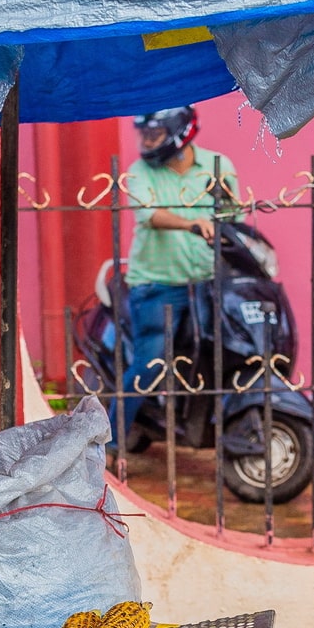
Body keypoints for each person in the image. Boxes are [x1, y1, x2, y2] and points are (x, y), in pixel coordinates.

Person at [113, 104, 239, 441]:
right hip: (157, 285)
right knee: (148, 366)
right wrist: (191, 223)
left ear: (179, 133)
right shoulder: (140, 171)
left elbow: (232, 220)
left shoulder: (217, 166)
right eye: (146, 135)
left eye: (156, 135)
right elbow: (148, 215)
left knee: (219, 355)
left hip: (207, 283)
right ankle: (110, 444)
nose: (148, 142)